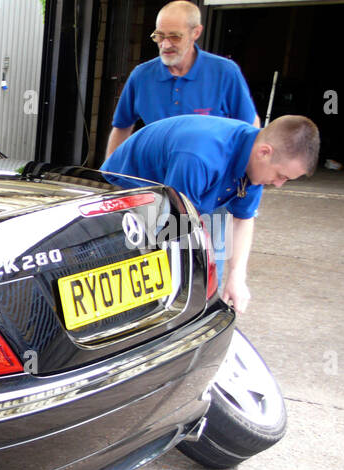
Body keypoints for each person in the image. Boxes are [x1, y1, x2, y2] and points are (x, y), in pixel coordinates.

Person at [101, 114, 319, 313]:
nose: (279, 184)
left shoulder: (256, 162)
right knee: (147, 283)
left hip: (180, 201)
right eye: (281, 175)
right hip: (127, 187)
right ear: (265, 152)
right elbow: (174, 230)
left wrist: (237, 277)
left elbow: (243, 220)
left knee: (201, 274)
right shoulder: (201, 157)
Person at [104, 1, 259, 159]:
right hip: (157, 176)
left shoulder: (225, 72)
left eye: (174, 37)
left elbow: (250, 127)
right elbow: (121, 128)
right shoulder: (141, 76)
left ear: (196, 32)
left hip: (208, 177)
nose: (165, 44)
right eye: (159, 36)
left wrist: (247, 179)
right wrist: (108, 175)